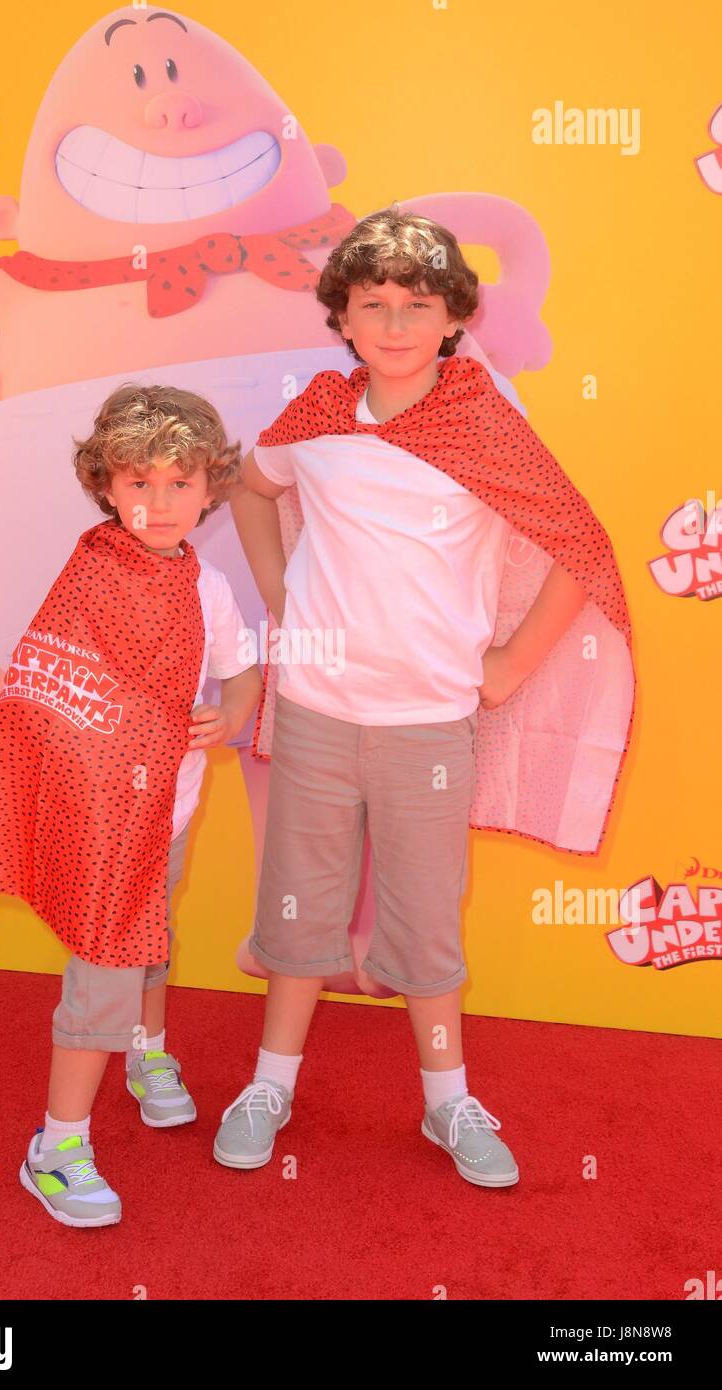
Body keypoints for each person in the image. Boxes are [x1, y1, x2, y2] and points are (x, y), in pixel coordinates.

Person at [220, 207, 634, 1187]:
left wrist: (510, 668)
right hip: (318, 708)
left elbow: (580, 548)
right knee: (297, 907)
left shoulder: (485, 422)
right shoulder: (316, 415)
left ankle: (448, 1101)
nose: (397, 323)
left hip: (430, 725)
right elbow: (248, 486)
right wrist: (283, 596)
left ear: (454, 320)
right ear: (345, 318)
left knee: (425, 919)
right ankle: (271, 1081)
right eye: (375, 305)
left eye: (419, 305)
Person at [0, 383, 263, 1226]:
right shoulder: (91, 571)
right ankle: (57, 1144)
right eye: (137, 482)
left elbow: (243, 667)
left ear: (209, 488)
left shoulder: (209, 586)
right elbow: (46, 688)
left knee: (148, 943)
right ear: (105, 486)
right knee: (103, 969)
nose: (157, 503)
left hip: (169, 809)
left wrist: (236, 712)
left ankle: (147, 1053)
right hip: (98, 817)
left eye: (178, 483)